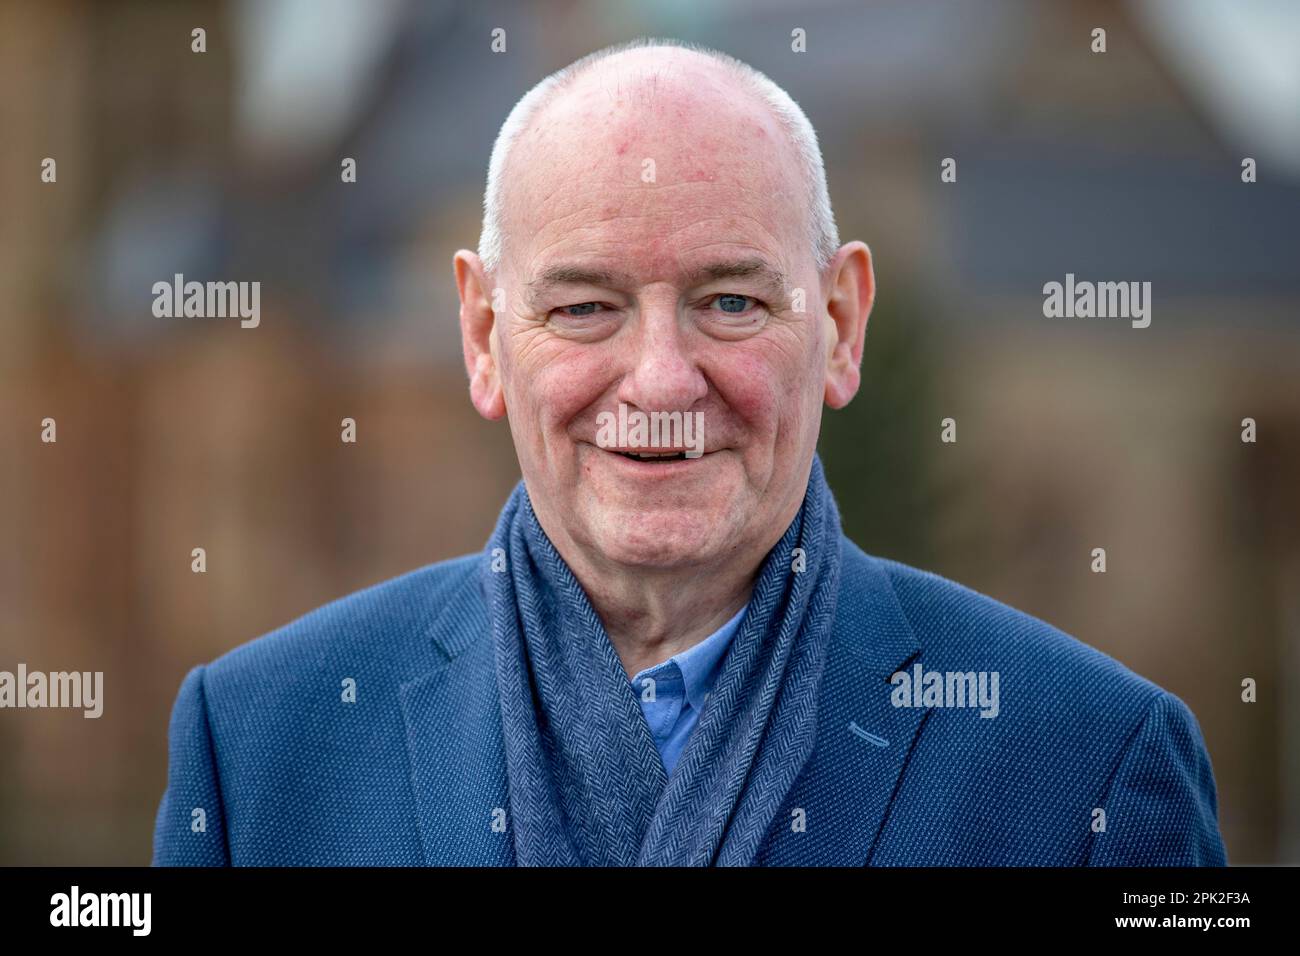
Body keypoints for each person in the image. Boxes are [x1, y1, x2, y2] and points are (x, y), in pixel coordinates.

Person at [153, 38, 1226, 866]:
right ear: (482, 337)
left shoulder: (1090, 763)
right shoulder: (259, 752)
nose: (662, 380)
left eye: (730, 301)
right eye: (584, 307)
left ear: (841, 324)